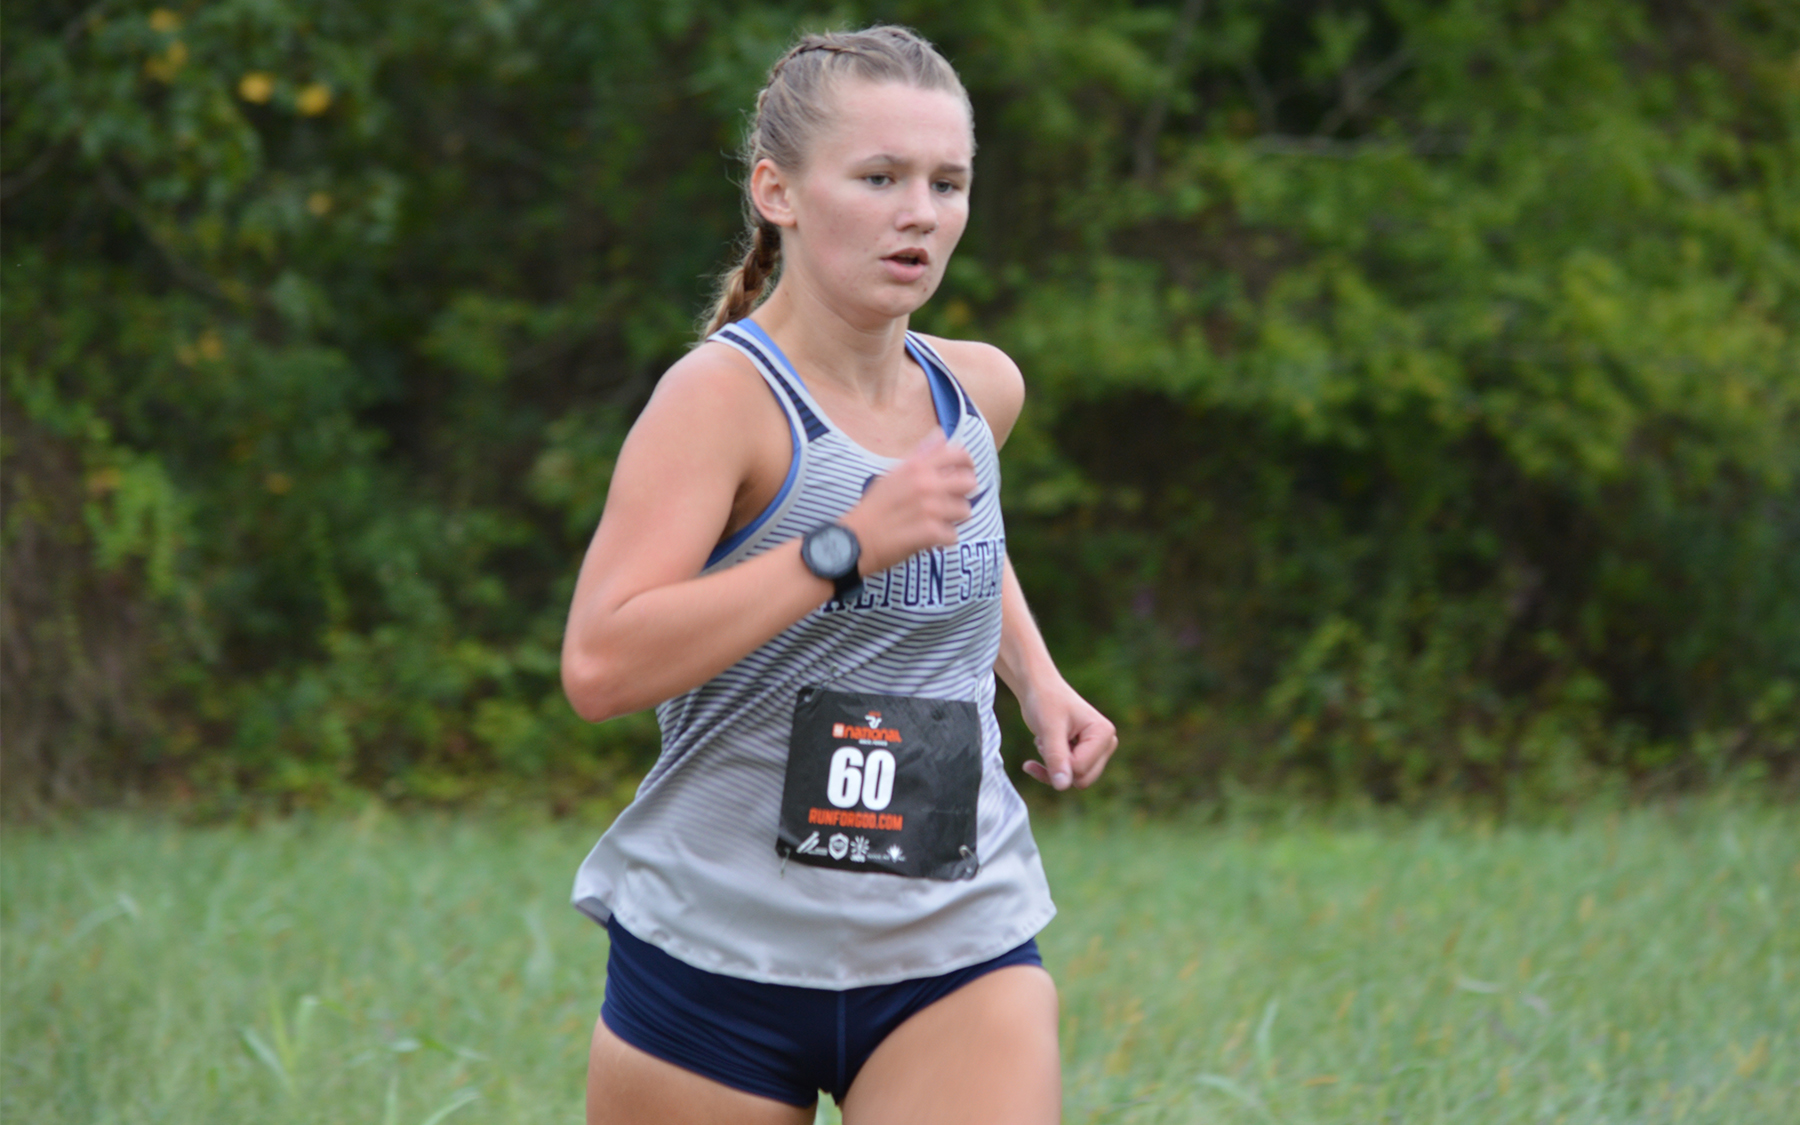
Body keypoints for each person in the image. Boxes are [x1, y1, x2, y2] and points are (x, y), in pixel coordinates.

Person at [561, 25, 1117, 1125]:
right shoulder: (719, 404)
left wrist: (1035, 676)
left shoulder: (979, 393)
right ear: (780, 191)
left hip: (953, 936)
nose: (921, 211)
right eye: (880, 177)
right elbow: (600, 664)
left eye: (947, 182)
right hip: (717, 959)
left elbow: (964, 532)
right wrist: (841, 549)